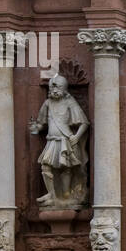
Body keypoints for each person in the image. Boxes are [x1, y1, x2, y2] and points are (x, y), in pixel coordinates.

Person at [29, 74, 89, 208]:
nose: (54, 91)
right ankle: (51, 194)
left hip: (65, 140)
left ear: (64, 88)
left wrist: (77, 137)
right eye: (52, 88)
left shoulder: (70, 102)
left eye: (57, 88)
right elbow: (41, 123)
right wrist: (35, 128)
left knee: (66, 168)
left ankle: (66, 195)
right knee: (45, 166)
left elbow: (84, 123)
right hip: (51, 141)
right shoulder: (47, 103)